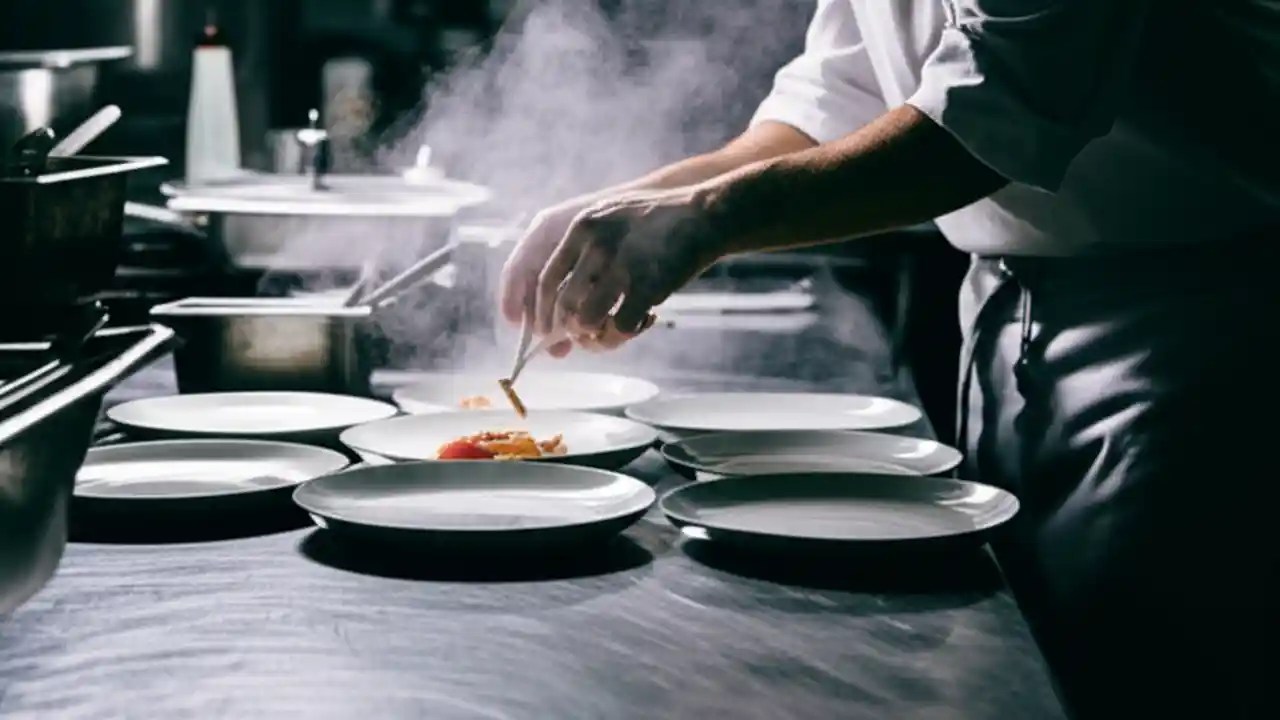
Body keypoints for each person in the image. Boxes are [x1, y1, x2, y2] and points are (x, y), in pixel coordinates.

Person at [499, 2, 1280, 718]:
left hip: (1186, 330)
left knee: (1146, 678)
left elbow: (998, 105)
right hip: (1013, 312)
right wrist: (631, 206)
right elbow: (838, 102)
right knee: (1034, 665)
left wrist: (704, 220)